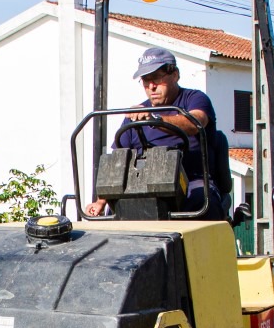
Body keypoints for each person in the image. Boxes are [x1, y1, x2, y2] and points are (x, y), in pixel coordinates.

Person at [84, 47, 232, 220]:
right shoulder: (135, 116)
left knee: (201, 201)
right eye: (146, 81)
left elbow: (196, 122)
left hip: (191, 181)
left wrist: (155, 119)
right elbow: (118, 163)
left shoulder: (194, 99)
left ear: (175, 74)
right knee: (118, 207)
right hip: (143, 184)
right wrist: (100, 202)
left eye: (156, 78)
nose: (151, 86)